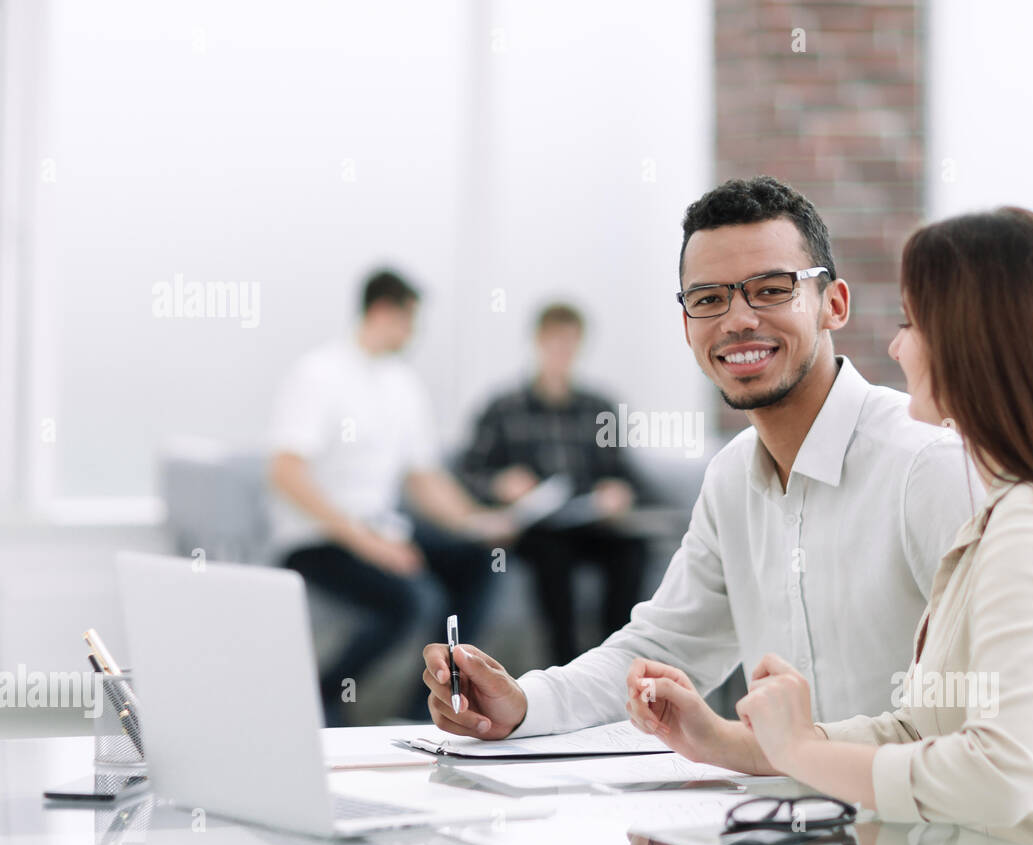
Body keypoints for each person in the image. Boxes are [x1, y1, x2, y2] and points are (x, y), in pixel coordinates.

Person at [624, 208, 1033, 845]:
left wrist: (805, 754)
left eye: (911, 323)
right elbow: (921, 730)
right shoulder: (1010, 512)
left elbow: (1001, 778)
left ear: (974, 345)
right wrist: (734, 743)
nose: (897, 348)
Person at [421, 176, 979, 740]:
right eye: (709, 299)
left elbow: (998, 718)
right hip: (779, 816)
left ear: (833, 304)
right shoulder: (733, 479)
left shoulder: (926, 466)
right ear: (688, 325)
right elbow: (659, 650)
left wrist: (741, 749)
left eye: (771, 289)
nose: (737, 320)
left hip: (919, 821)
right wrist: (519, 704)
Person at [268, 269, 514, 726]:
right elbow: (286, 472)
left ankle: (421, 713)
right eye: (410, 321)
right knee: (416, 598)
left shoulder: (401, 384)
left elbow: (423, 477)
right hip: (320, 540)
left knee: (478, 562)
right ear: (383, 311)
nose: (414, 334)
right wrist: (370, 544)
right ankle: (324, 694)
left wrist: (478, 521)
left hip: (384, 528)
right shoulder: (318, 374)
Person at [458, 303, 650, 665]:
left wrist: (617, 492)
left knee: (631, 548)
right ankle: (564, 663)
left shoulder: (599, 407)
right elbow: (470, 472)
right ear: (537, 342)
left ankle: (616, 658)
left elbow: (626, 475)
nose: (562, 352)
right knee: (551, 554)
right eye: (554, 342)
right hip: (538, 529)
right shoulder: (503, 407)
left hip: (590, 521)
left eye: (569, 343)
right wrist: (501, 484)